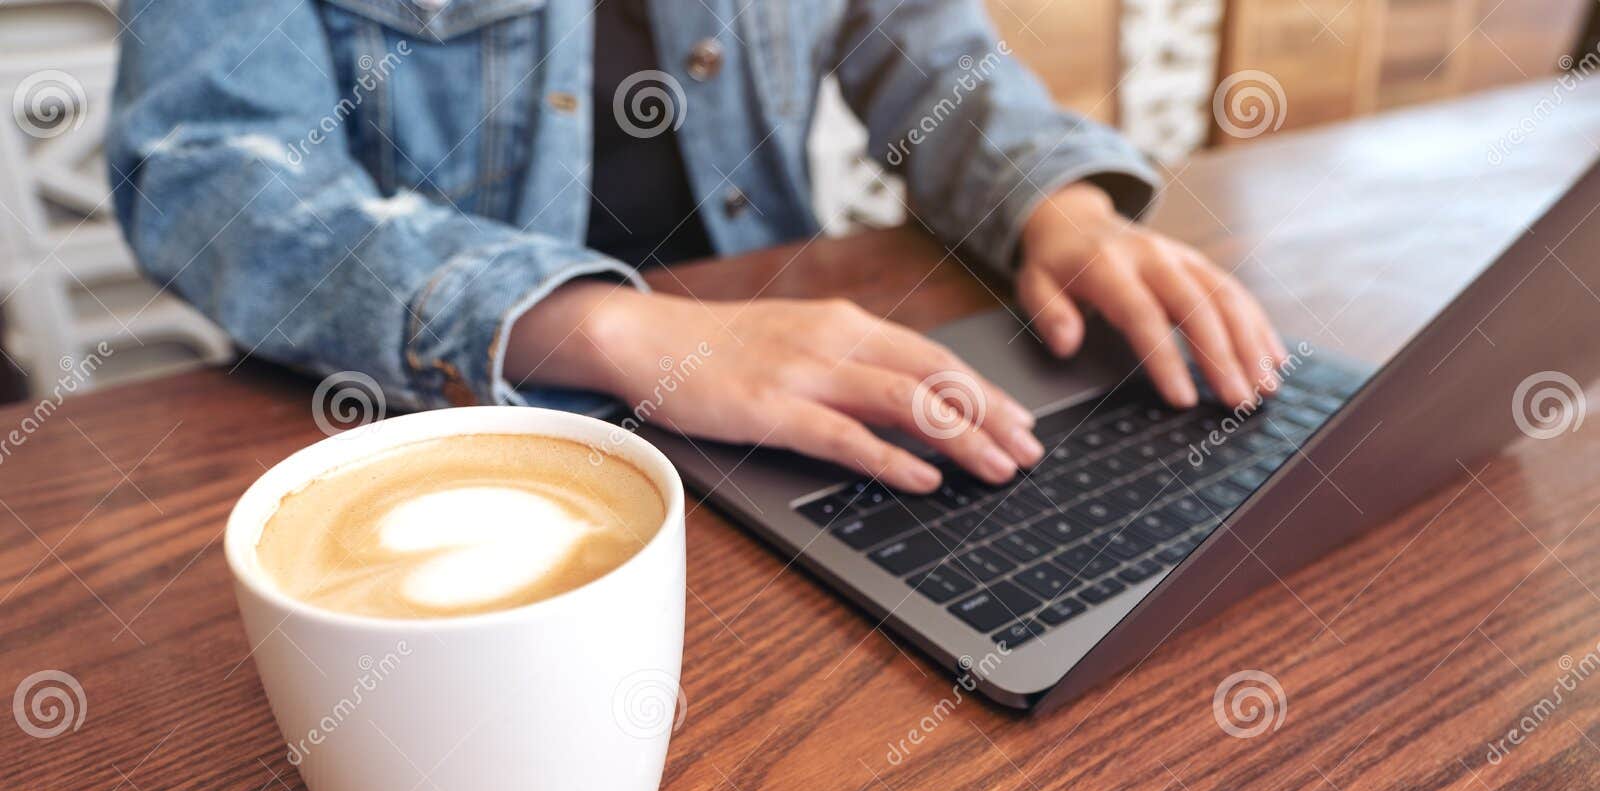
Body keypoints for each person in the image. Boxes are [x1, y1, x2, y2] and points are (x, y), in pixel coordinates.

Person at [109, 0, 1286, 493]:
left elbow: (921, 41)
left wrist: (1057, 207)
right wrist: (619, 329)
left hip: (784, 400)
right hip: (439, 425)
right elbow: (211, 174)